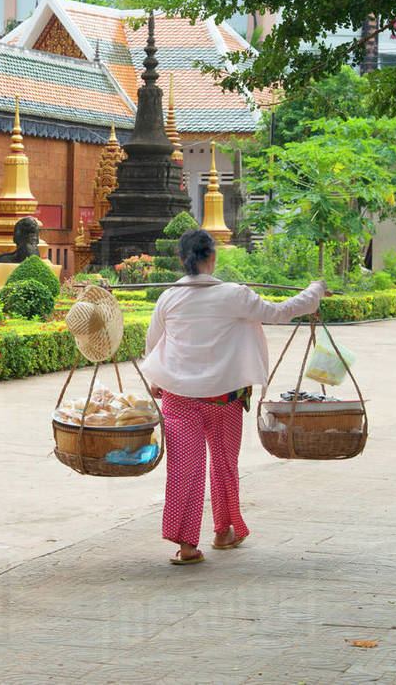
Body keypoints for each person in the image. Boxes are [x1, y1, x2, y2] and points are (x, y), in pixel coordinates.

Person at [141, 229, 326, 566]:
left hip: (179, 397)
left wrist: (155, 380)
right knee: (224, 465)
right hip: (223, 397)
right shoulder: (234, 295)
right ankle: (224, 531)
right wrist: (314, 291)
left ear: (183, 260)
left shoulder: (168, 297)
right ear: (212, 258)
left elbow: (152, 344)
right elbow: (281, 311)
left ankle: (186, 546)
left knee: (185, 469)